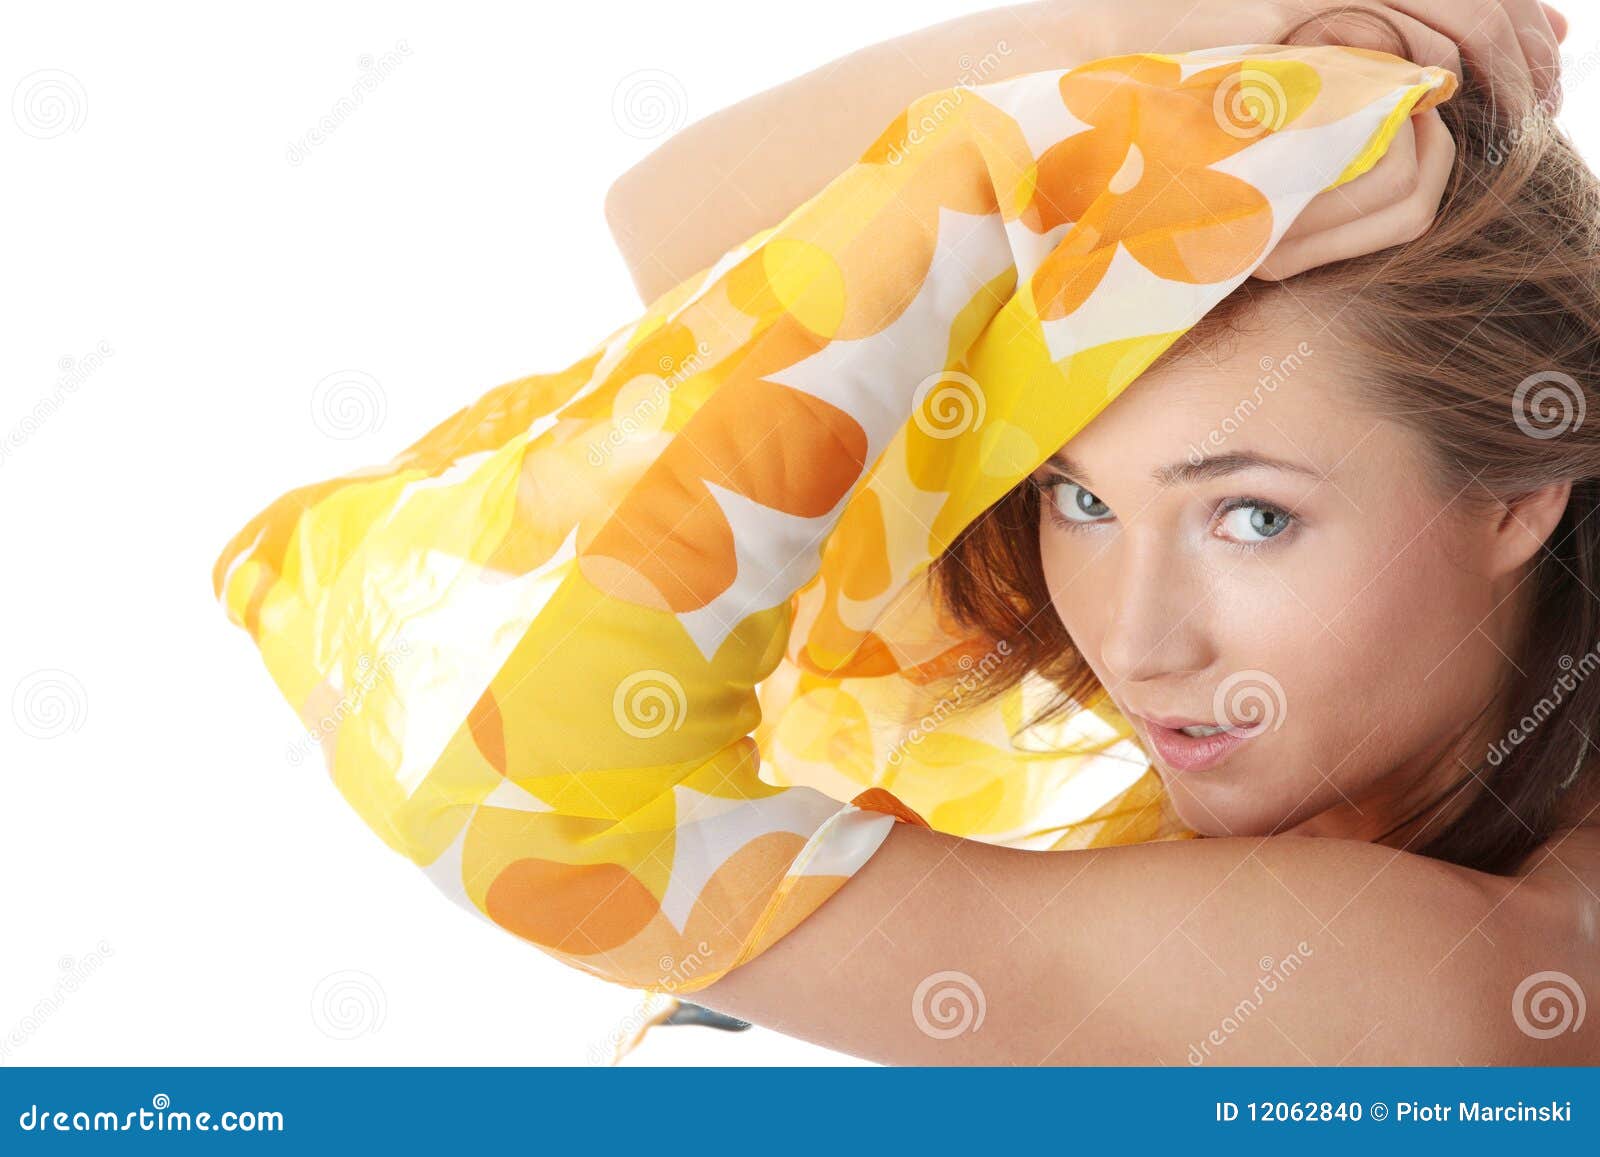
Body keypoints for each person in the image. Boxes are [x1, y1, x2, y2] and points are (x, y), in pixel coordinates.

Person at [602, 0, 1600, 1064]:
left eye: (1252, 517)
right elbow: (679, 243)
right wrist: (1208, 32)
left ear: (1517, 495)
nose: (1133, 645)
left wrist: (1120, 102)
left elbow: (582, 826)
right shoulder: (1364, 724)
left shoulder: (1485, 973)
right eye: (1077, 497)